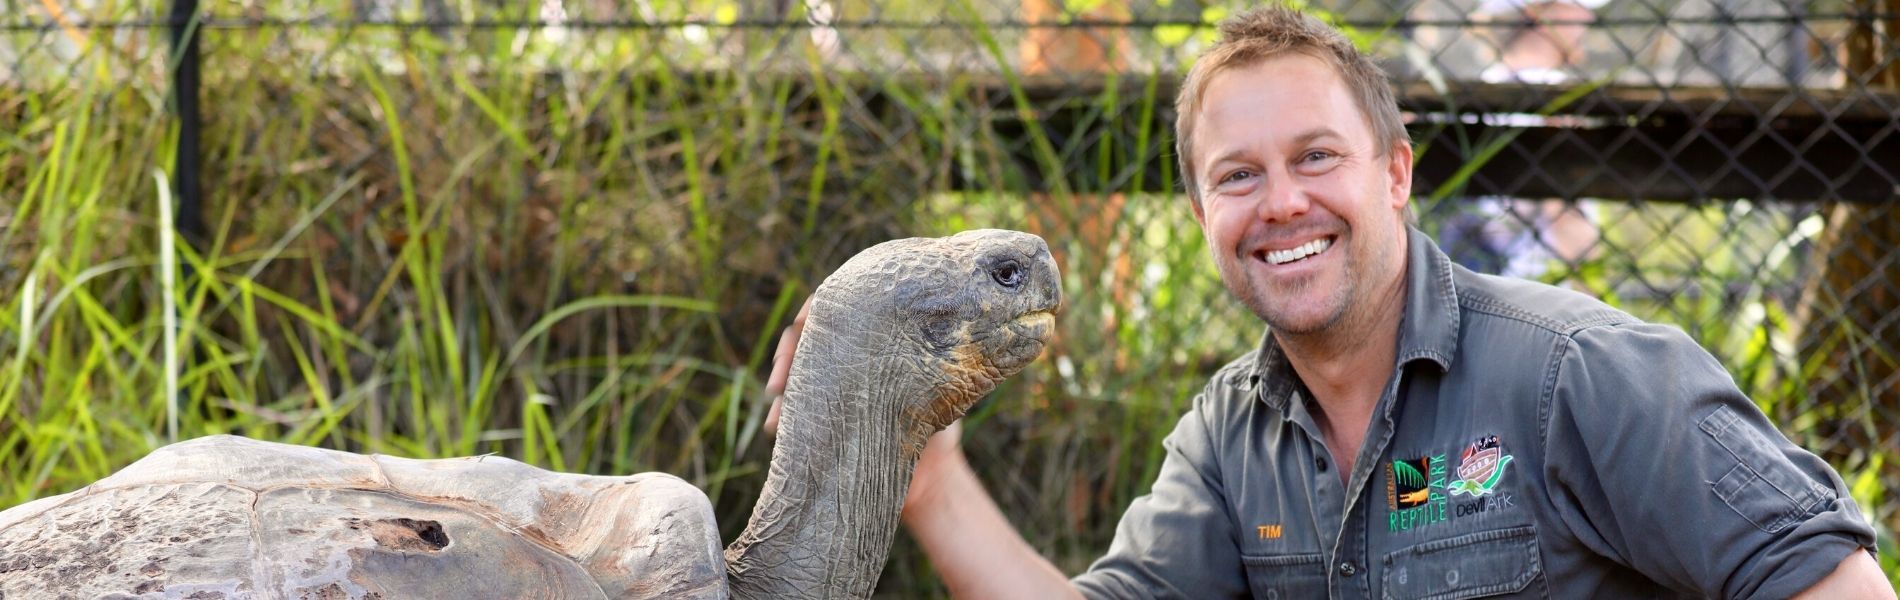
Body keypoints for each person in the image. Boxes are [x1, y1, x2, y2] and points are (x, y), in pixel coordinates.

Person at [764, 5, 1894, 598]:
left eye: (1317, 158)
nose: (1282, 204)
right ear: (1202, 209)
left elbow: (1833, 586)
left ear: (1395, 174)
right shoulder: (1230, 436)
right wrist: (913, 464)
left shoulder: (1580, 376)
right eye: (1238, 176)